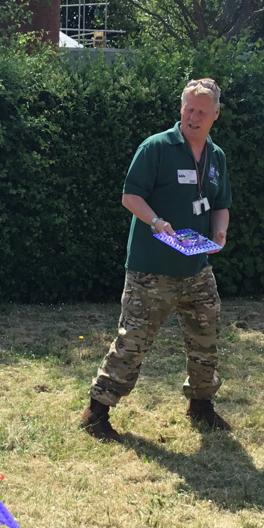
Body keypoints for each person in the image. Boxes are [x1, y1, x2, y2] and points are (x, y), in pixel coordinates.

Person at [81, 77, 234, 441]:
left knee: (206, 337)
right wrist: (156, 222)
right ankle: (96, 412)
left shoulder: (216, 157)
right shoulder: (156, 147)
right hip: (152, 269)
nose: (192, 116)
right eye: (188, 108)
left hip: (196, 267)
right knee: (133, 341)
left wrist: (220, 235)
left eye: (201, 111)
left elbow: (220, 204)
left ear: (215, 114)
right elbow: (130, 196)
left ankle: (201, 405)